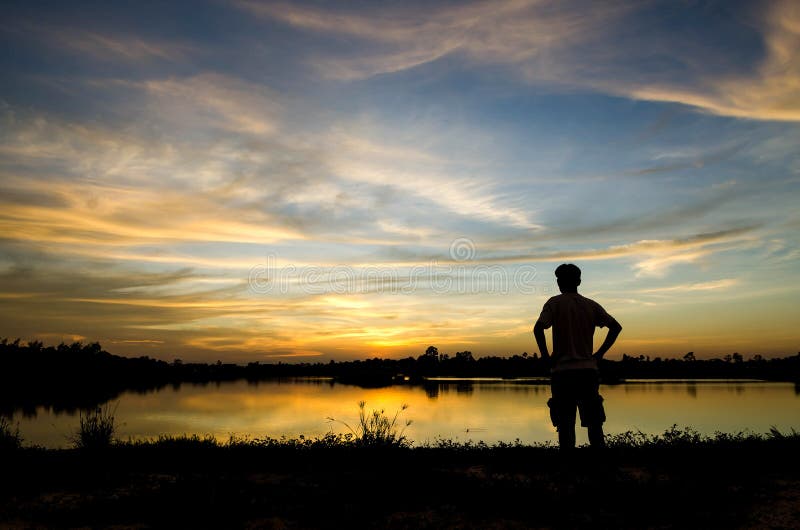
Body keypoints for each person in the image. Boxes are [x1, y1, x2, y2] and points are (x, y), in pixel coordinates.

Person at [533, 263, 622, 450]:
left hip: (562, 373)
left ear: (559, 282)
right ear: (579, 281)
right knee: (595, 424)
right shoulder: (590, 305)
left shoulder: (554, 303)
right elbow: (616, 327)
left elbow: (538, 328)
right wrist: (599, 354)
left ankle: (568, 469)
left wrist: (545, 357)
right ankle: (600, 468)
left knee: (565, 426)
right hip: (588, 373)